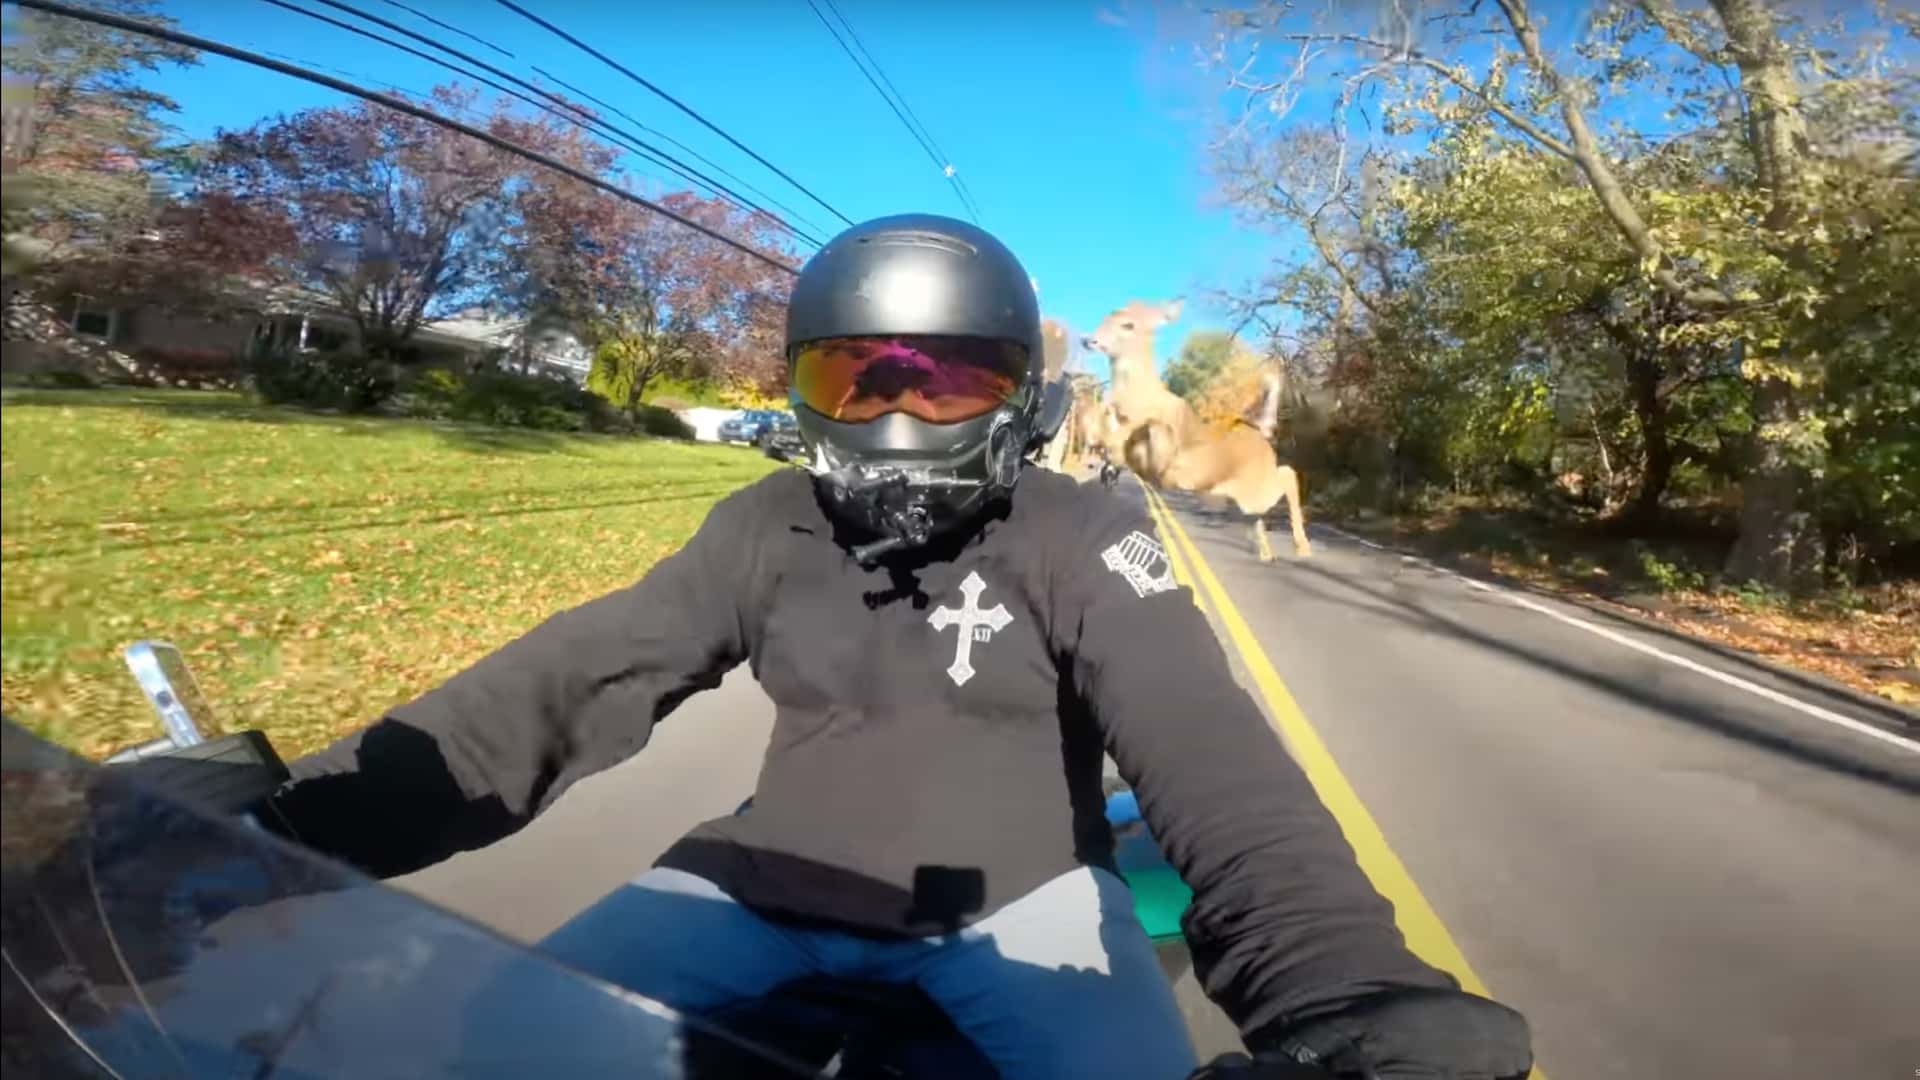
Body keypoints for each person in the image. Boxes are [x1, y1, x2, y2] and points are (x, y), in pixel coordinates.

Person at [262, 214, 1532, 1079]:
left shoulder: (1087, 530)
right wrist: (291, 827)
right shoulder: (765, 520)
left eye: (951, 382)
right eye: (860, 380)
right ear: (804, 392)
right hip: (757, 882)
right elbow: (573, 678)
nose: (903, 414)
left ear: (1020, 399)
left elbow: (1217, 765)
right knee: (491, 1047)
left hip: (1028, 903)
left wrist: (1345, 994)